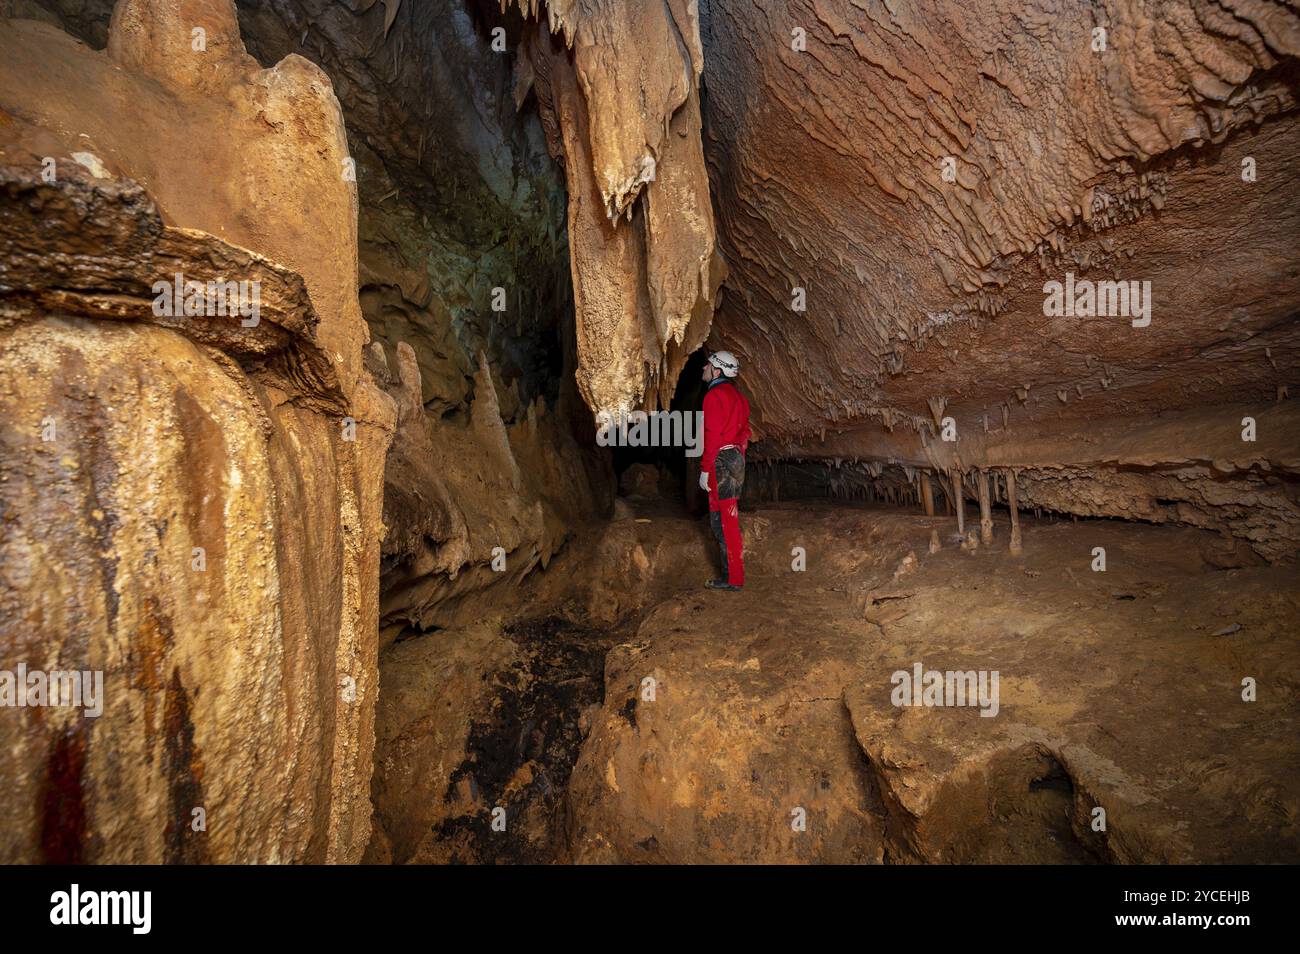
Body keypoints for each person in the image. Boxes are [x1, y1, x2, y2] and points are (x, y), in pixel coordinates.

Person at [698, 349, 750, 590]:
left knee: (723, 521)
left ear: (717, 371)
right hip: (736, 457)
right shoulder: (740, 398)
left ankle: (734, 580)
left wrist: (705, 468)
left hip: (720, 460)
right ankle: (731, 577)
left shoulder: (714, 397)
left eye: (707, 366)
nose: (704, 369)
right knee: (727, 518)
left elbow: (712, 435)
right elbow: (745, 433)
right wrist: (736, 456)